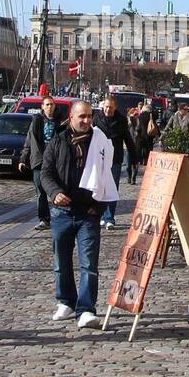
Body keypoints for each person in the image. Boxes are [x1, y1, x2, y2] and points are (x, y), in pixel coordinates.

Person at [41, 101, 116, 329]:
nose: (86, 121)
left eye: (89, 116)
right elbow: (46, 173)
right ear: (71, 117)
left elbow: (107, 176)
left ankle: (86, 309)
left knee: (89, 264)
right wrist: (55, 193)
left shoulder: (99, 141)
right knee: (61, 262)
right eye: (82, 116)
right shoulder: (58, 141)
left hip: (88, 213)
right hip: (62, 212)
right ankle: (66, 301)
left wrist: (99, 207)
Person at [21, 95, 61, 230]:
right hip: (39, 160)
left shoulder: (61, 122)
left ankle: (60, 217)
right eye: (47, 105)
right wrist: (23, 158)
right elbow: (28, 141)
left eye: (51, 104)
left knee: (57, 189)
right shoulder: (36, 122)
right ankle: (44, 219)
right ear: (42, 107)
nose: (49, 107)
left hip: (55, 161)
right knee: (40, 191)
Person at [93, 94, 132, 229]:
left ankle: (110, 217)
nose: (108, 109)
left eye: (110, 107)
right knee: (100, 187)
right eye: (106, 107)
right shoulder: (96, 118)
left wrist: (134, 156)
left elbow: (127, 138)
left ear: (115, 108)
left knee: (112, 187)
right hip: (99, 158)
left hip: (115, 159)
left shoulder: (121, 120)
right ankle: (101, 215)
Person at [130, 101, 158, 177]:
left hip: (140, 137)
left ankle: (134, 172)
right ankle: (147, 169)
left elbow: (136, 127)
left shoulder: (139, 116)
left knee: (138, 155)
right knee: (147, 155)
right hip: (149, 137)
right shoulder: (151, 117)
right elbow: (155, 125)